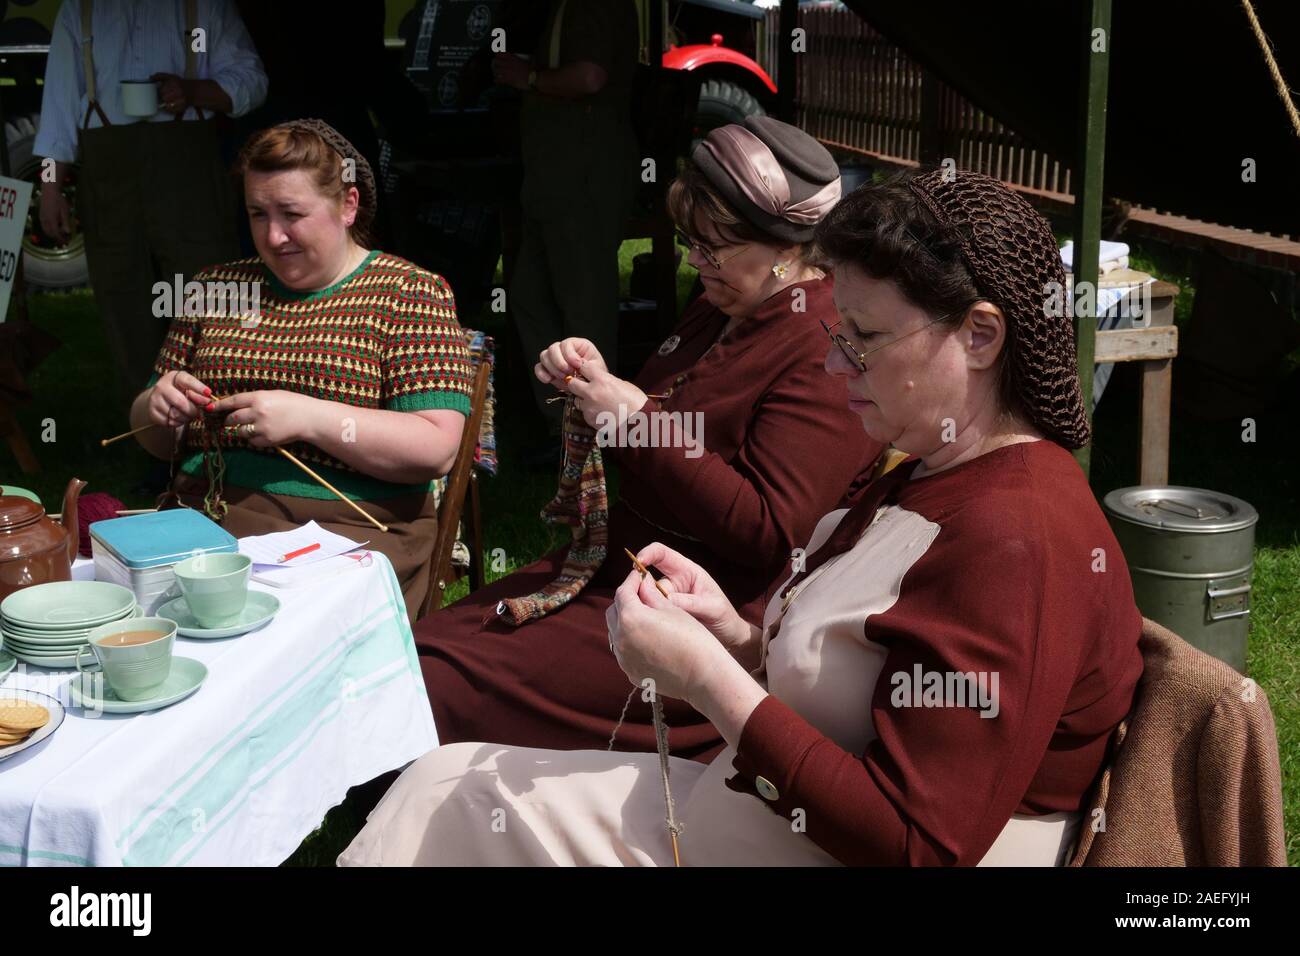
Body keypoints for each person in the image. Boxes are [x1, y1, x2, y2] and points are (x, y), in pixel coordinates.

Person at [339, 169, 1144, 866]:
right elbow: (870, 676)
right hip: (779, 820)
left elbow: (916, 843)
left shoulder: (1017, 537)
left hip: (825, 848)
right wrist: (735, 634)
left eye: (862, 339)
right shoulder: (937, 469)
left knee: (446, 810)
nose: (835, 363)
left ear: (979, 336)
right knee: (443, 784)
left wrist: (709, 681)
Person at [413, 117, 884, 761]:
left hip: (700, 623)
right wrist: (596, 383)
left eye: (712, 247)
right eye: (690, 241)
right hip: (621, 574)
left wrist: (633, 417)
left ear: (783, 246)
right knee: (426, 645)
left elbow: (768, 528)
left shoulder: (822, 344)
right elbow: (678, 409)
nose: (694, 260)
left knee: (434, 682)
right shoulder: (729, 302)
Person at [129, 120, 472, 620]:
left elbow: (436, 447)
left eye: (292, 214)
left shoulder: (409, 292)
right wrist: (157, 406)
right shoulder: (216, 287)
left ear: (348, 205)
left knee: (266, 632)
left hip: (352, 531)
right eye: (257, 214)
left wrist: (308, 418)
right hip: (207, 519)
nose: (274, 235)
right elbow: (154, 440)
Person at [35, 0, 267, 400]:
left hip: (187, 175)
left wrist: (193, 90)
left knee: (209, 287)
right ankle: (147, 423)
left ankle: (225, 405)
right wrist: (51, 187)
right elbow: (58, 106)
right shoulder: (81, 10)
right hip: (110, 179)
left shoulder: (203, 7)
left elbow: (253, 81)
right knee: (123, 293)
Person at [491, 0, 640, 428]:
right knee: (531, 296)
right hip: (557, 179)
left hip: (582, 176)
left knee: (583, 306)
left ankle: (598, 428)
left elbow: (590, 76)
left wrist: (529, 78)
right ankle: (565, 424)